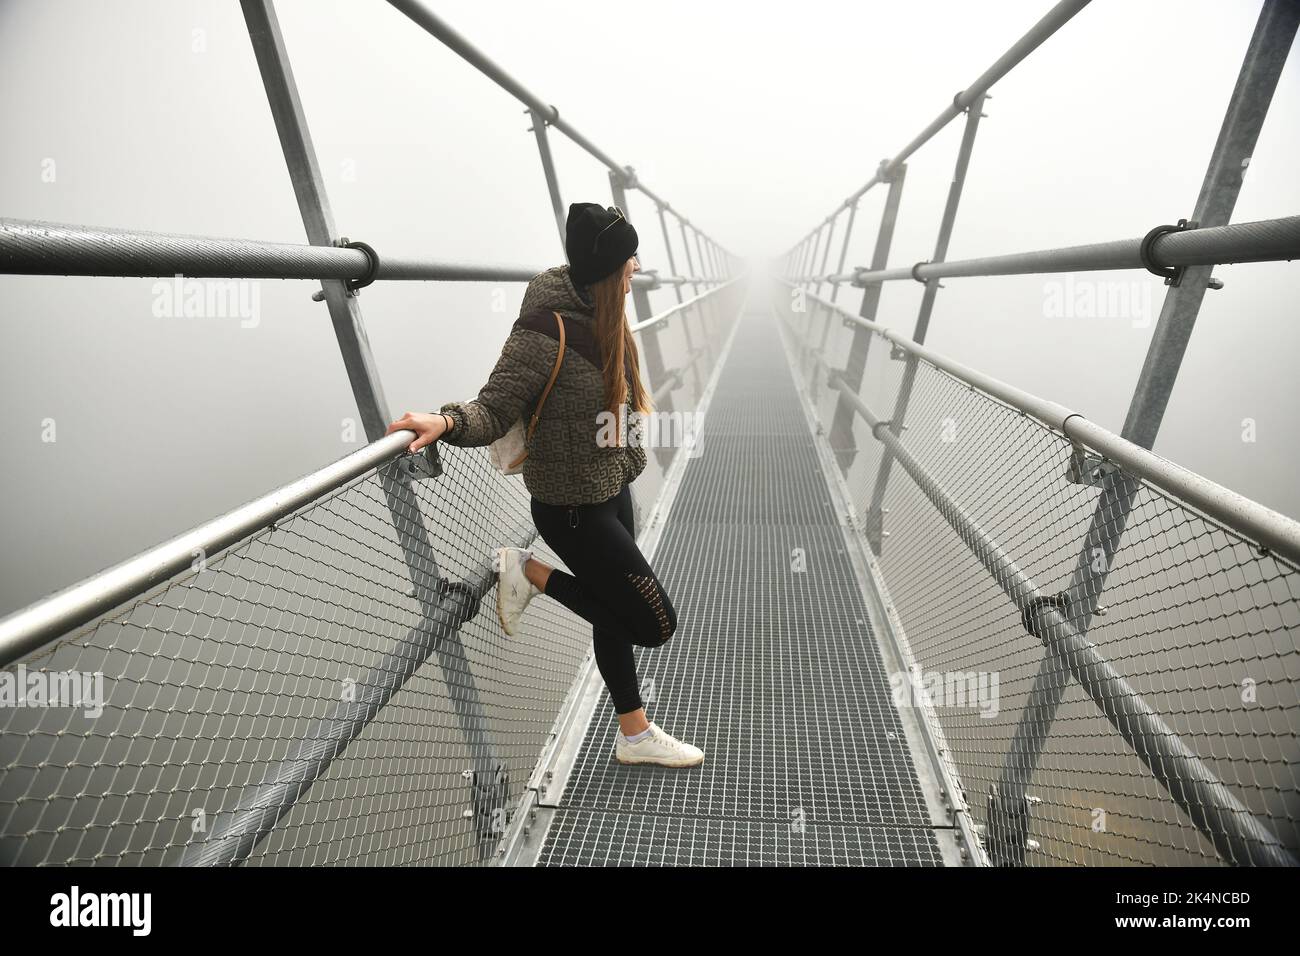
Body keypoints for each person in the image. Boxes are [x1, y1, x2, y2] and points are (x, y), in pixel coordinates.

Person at [386, 203, 704, 769]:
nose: (637, 267)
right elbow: (494, 405)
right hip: (573, 511)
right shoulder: (545, 328)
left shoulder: (605, 309)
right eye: (629, 259)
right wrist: (447, 421)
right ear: (606, 268)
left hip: (611, 489)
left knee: (614, 612)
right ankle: (528, 571)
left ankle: (634, 736)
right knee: (654, 623)